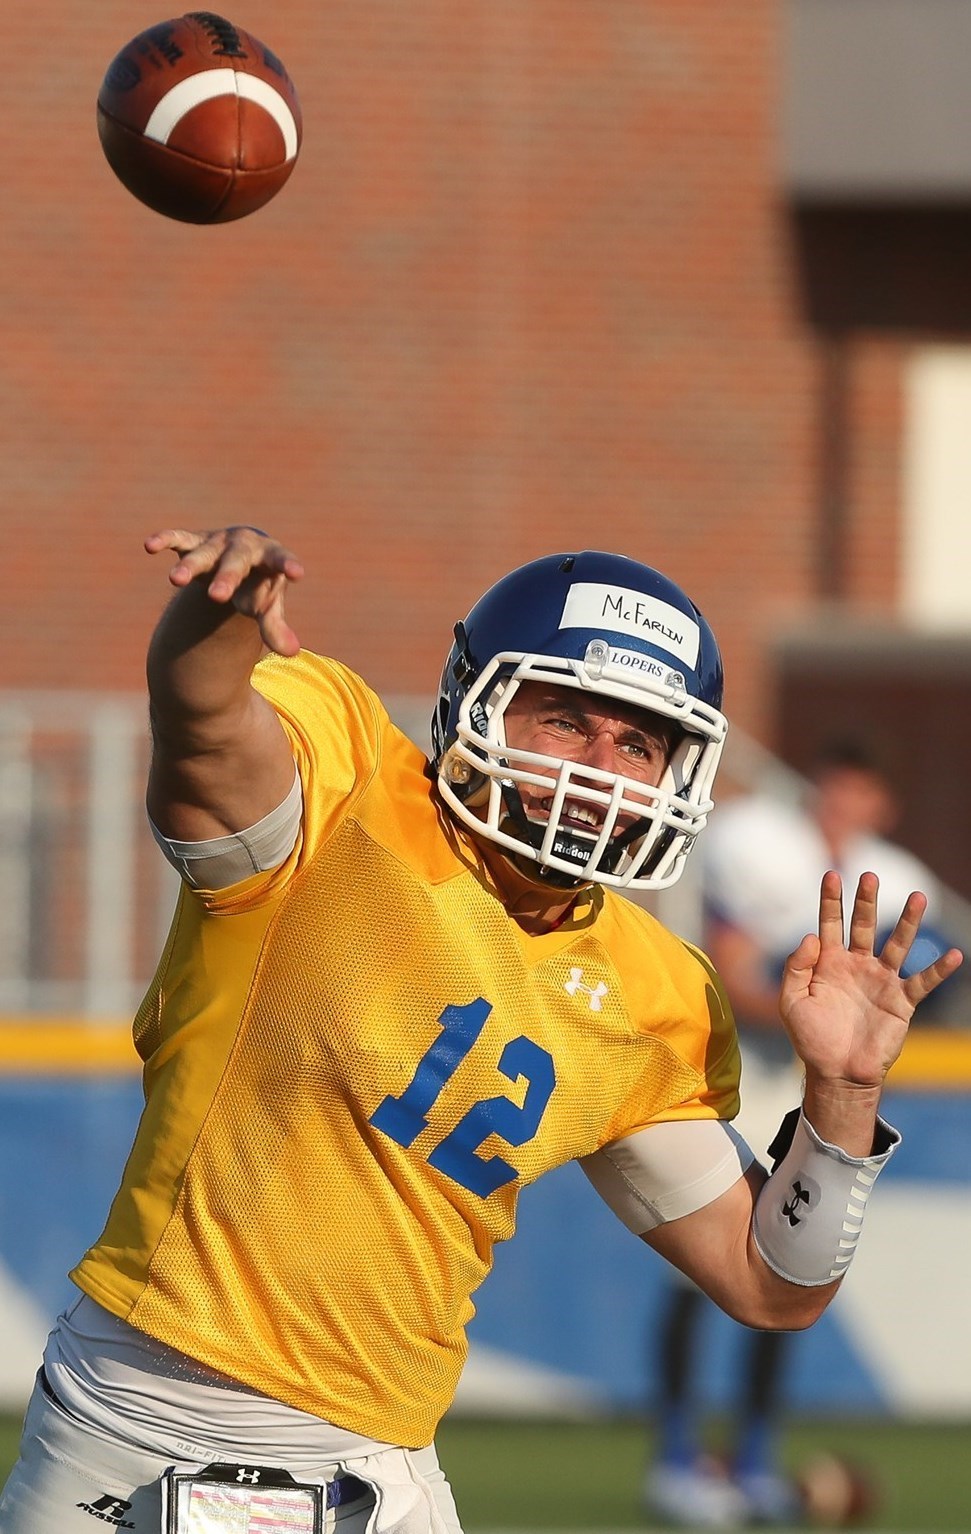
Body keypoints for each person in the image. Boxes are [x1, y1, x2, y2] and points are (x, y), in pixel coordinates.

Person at [0, 529, 959, 1534]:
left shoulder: (654, 990)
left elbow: (769, 1286)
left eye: (636, 742)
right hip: (136, 1425)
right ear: (481, 703)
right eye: (564, 719)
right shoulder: (344, 786)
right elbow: (202, 723)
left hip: (380, 1470)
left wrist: (842, 1095)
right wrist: (213, 615)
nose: (598, 767)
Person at [644, 741, 952, 1528]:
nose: (842, 809)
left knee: (793, 1256)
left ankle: (750, 1456)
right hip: (731, 1066)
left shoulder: (899, 878)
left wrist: (845, 1048)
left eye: (859, 797)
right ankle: (675, 1457)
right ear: (814, 791)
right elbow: (734, 964)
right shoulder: (754, 839)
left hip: (808, 1083)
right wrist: (807, 1018)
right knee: (697, 1267)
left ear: (879, 807)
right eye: (833, 792)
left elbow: (916, 992)